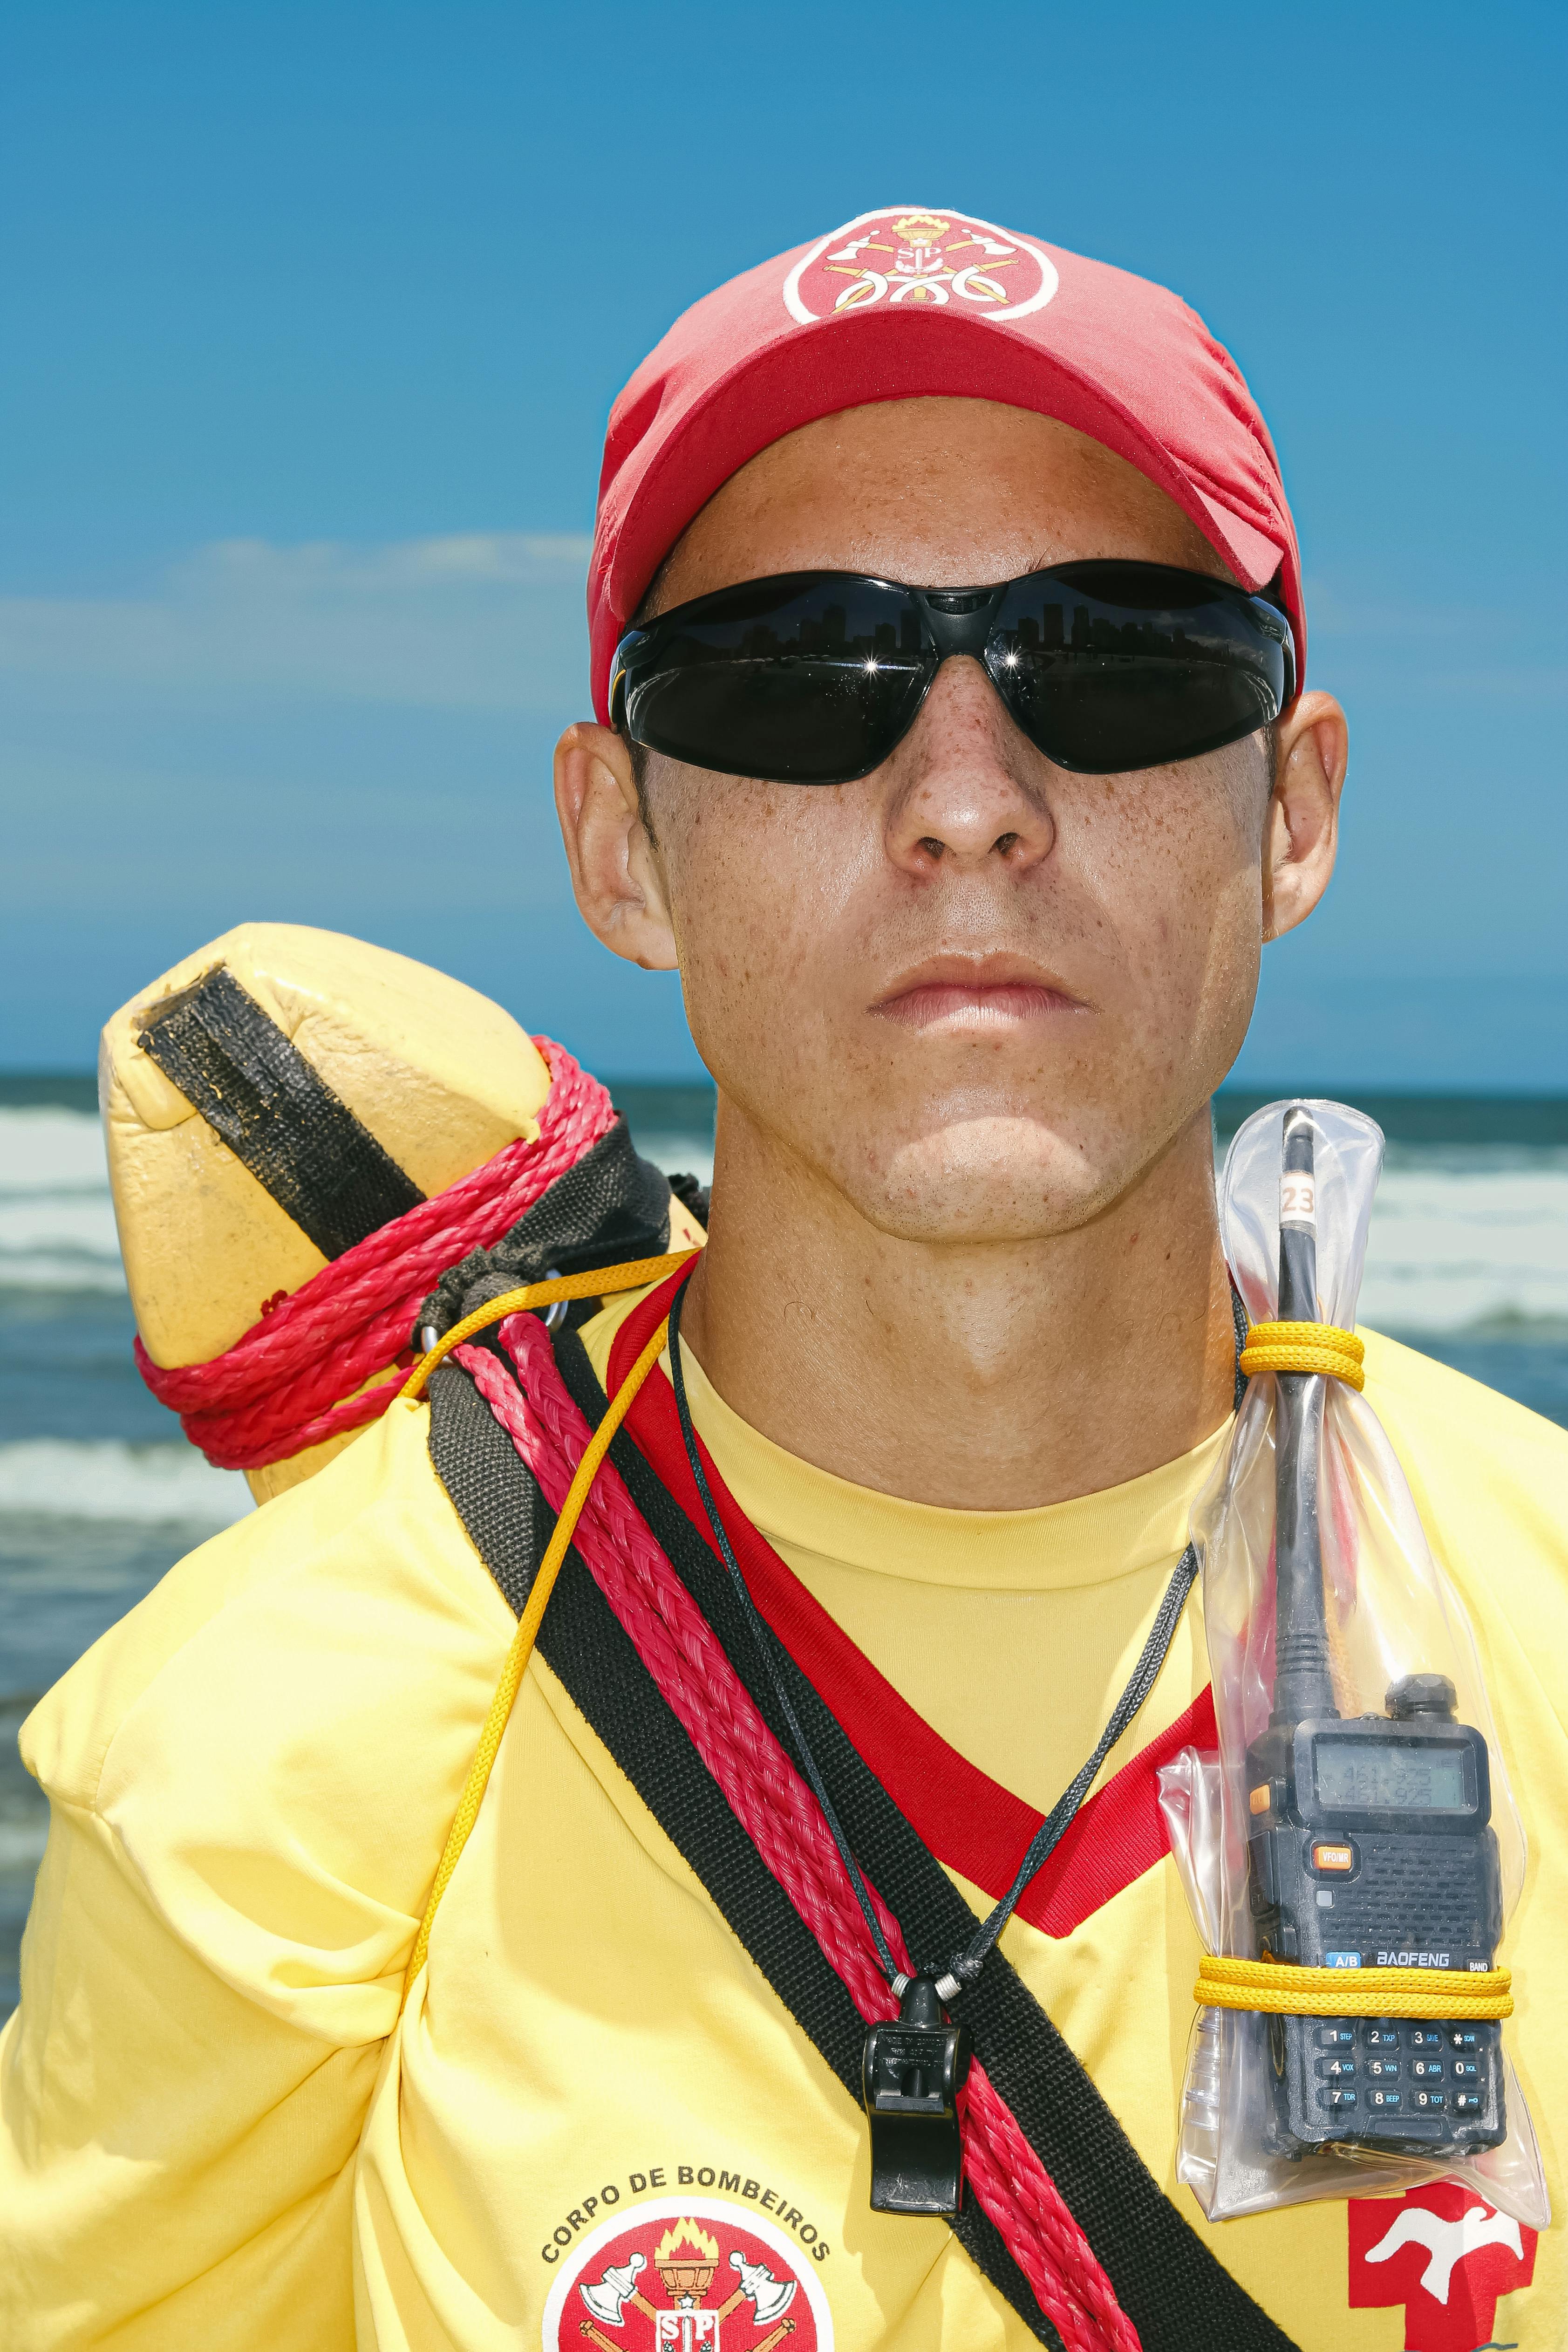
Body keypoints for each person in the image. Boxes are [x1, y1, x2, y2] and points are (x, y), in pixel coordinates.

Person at [3, 205, 1564, 2352]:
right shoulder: (273, 1744)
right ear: (619, 842)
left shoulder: (1542, 1611)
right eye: (791, 679)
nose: (962, 797)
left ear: (1287, 811)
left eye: (1110, 662)